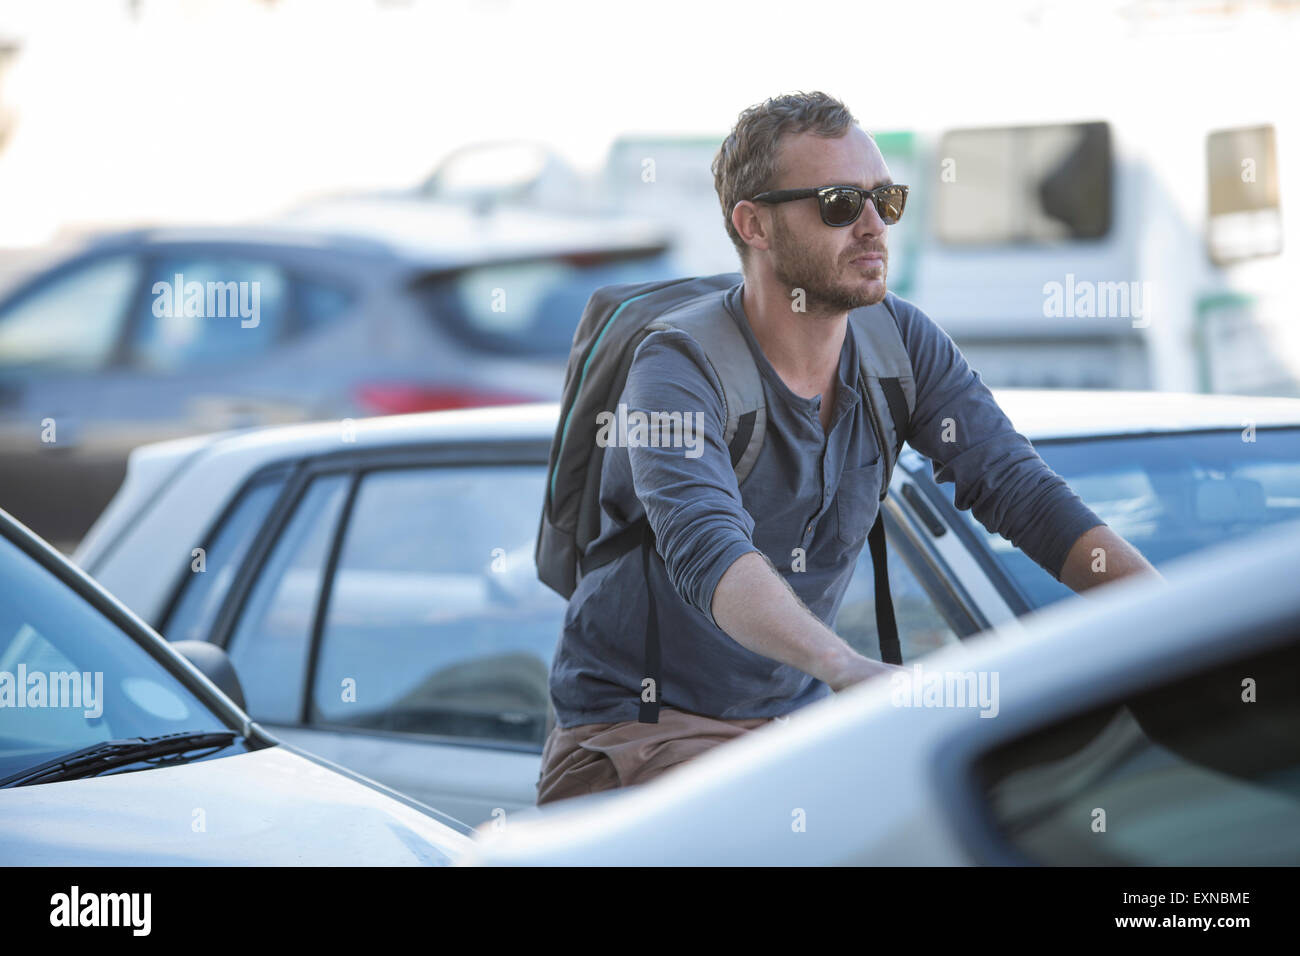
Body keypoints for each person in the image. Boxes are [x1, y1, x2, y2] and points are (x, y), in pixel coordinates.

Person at [536, 90, 1158, 806]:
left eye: (884, 200)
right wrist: (844, 666)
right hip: (640, 734)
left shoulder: (901, 341)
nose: (872, 227)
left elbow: (1020, 491)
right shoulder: (676, 366)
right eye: (838, 203)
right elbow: (706, 545)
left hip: (793, 726)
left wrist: (1181, 620)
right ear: (755, 224)